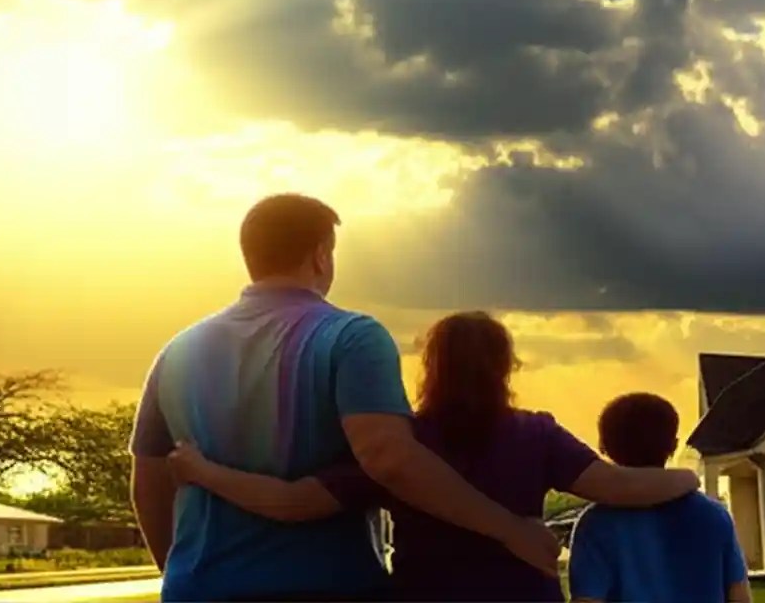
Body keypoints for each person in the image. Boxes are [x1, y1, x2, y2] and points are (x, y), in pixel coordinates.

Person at [129, 194, 559, 602]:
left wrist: (180, 574)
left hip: (199, 588)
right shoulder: (351, 337)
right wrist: (510, 529)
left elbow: (149, 480)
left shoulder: (177, 351)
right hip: (324, 586)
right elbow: (389, 459)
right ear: (321, 255)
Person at [167, 311, 701, 602]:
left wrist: (202, 471)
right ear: (505, 367)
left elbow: (291, 503)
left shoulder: (400, 444)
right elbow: (622, 487)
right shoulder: (536, 434)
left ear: (430, 368)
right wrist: (689, 480)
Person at [567, 393, 752, 603]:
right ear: (674, 445)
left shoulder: (596, 525)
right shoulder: (715, 516)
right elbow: (739, 596)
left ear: (604, 448)